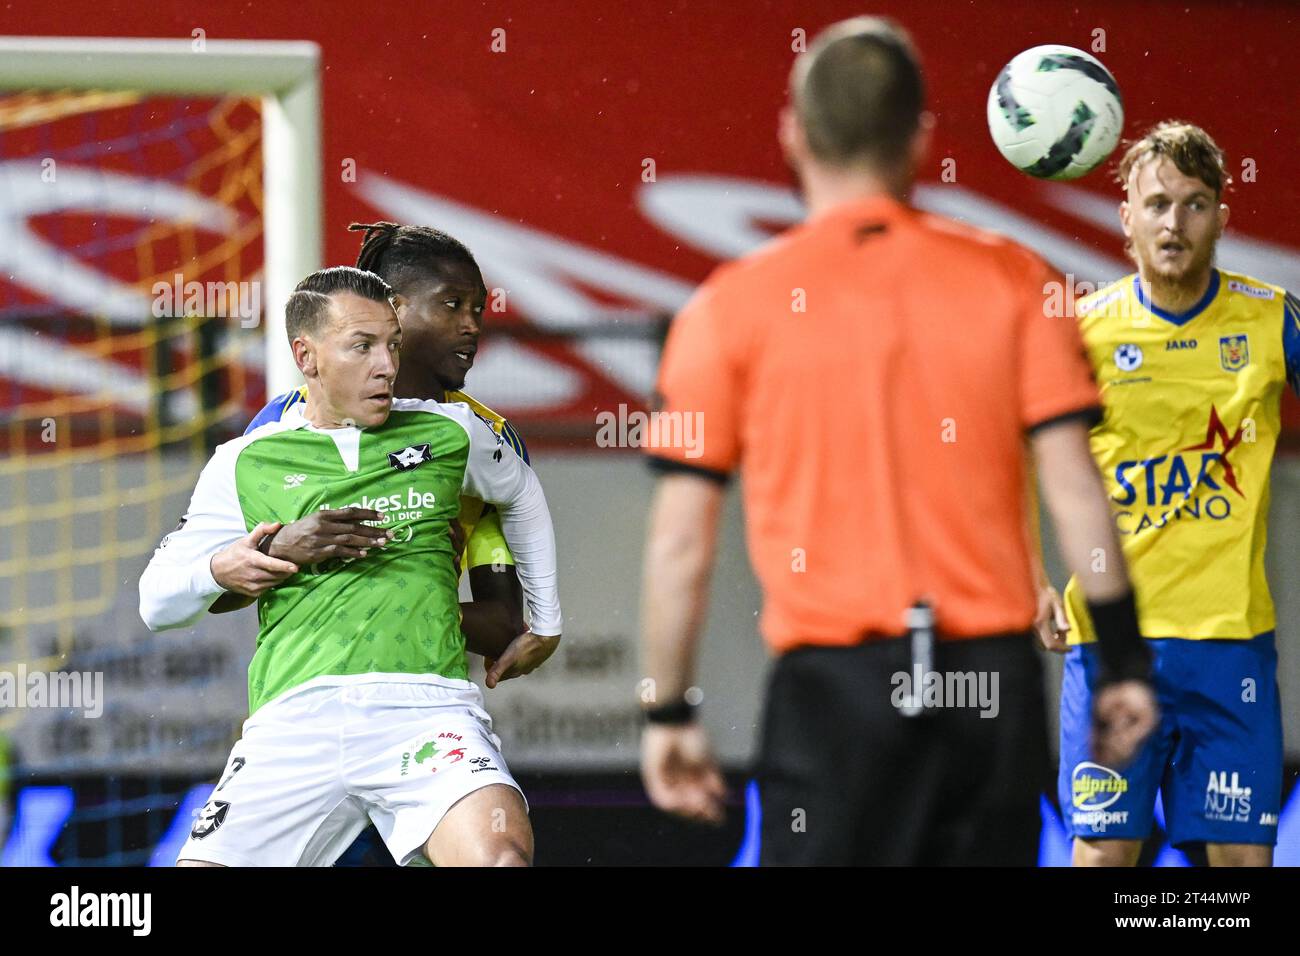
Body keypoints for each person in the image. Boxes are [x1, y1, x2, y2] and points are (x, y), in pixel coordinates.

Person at [637, 16, 1156, 865]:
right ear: (920, 140)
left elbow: (679, 545)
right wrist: (1126, 660)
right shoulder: (1018, 281)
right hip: (990, 688)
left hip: (833, 700)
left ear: (793, 135)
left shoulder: (727, 308)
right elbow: (1076, 492)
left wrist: (666, 711)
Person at [139, 266, 561, 866]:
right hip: (293, 725)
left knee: (502, 860)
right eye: (362, 347)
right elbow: (156, 602)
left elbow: (522, 492)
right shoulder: (246, 460)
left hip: (426, 715)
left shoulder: (451, 432)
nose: (386, 364)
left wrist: (547, 620)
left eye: (391, 344)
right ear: (305, 356)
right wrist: (248, 559)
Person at [1052, 121, 1300, 867]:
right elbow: (1000, 453)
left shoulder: (1269, 319)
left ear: (1222, 215)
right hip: (1110, 648)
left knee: (1241, 871)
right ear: (1124, 215)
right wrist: (1020, 578)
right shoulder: (1083, 333)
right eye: (1156, 204)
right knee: (1101, 858)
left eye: (1195, 204)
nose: (1174, 222)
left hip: (1231, 652)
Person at [220, 222, 535, 686]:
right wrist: (282, 547)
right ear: (393, 310)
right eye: (452, 305)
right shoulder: (278, 427)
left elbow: (505, 626)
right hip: (303, 693)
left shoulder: (484, 441)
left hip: (424, 697)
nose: (472, 325)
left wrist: (408, 586)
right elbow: (217, 592)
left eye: (478, 309)